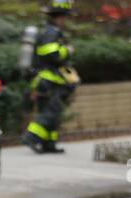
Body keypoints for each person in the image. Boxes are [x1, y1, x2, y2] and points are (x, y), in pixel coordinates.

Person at [22, 0, 78, 155]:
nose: (65, 21)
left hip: (47, 80)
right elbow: (50, 53)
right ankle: (31, 137)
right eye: (64, 17)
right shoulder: (51, 33)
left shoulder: (51, 32)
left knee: (53, 112)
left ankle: (49, 144)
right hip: (47, 80)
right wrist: (67, 50)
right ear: (59, 17)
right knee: (50, 112)